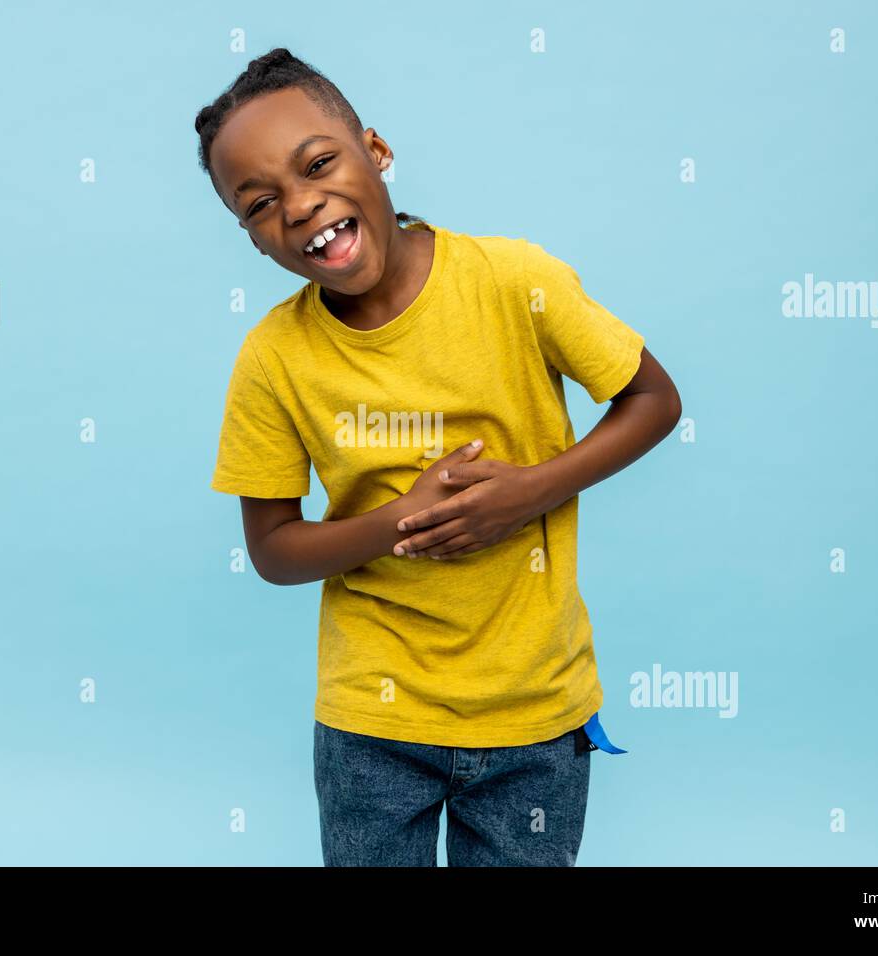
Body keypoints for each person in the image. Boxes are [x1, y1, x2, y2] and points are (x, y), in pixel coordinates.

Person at [195, 48, 682, 866]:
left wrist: (528, 493)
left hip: (535, 711)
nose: (304, 205)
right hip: (371, 727)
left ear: (375, 152)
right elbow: (274, 551)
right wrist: (398, 521)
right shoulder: (273, 356)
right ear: (251, 237)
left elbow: (655, 401)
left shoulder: (513, 281)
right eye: (261, 203)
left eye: (319, 164)